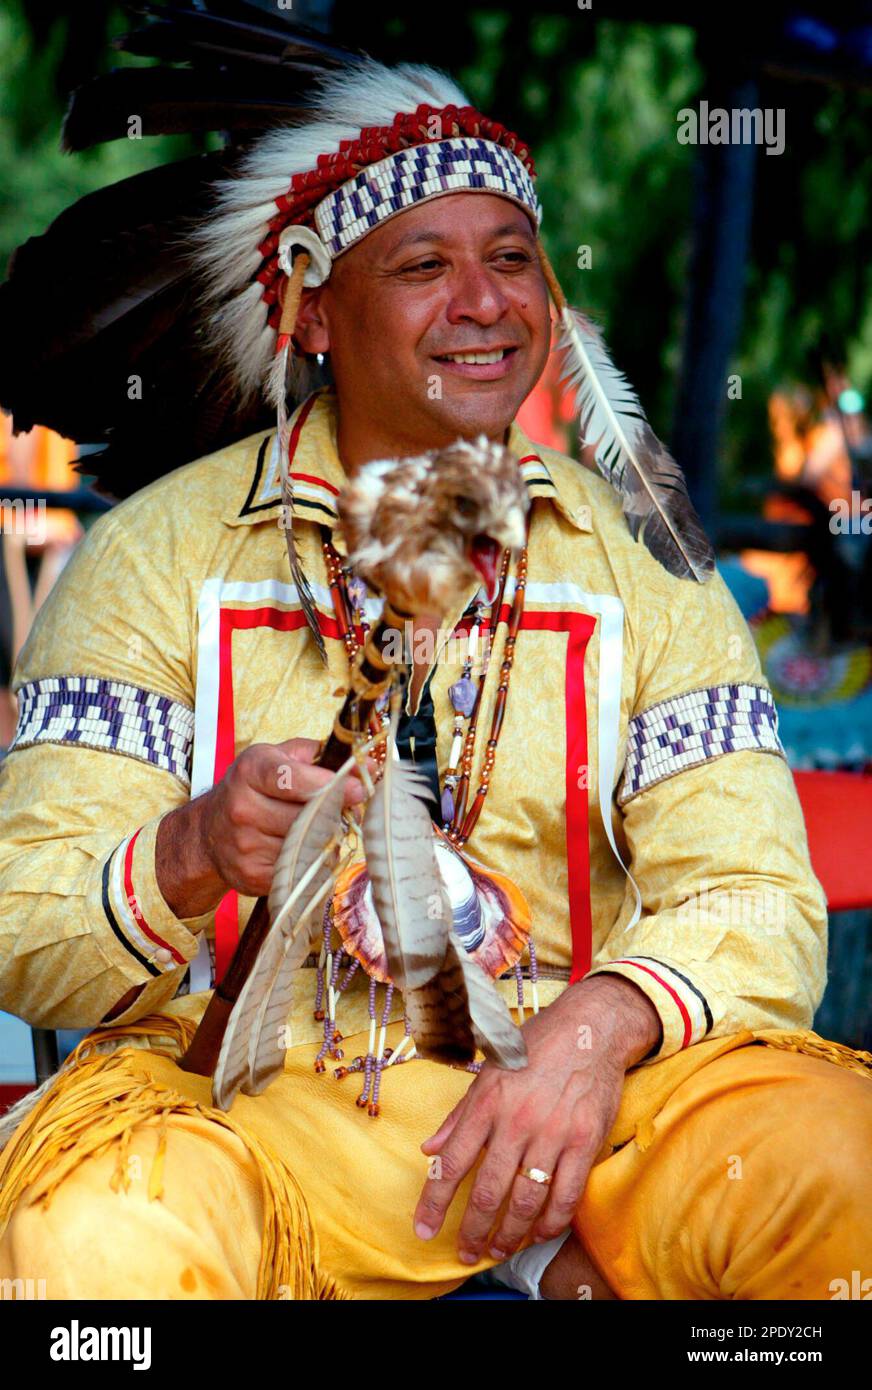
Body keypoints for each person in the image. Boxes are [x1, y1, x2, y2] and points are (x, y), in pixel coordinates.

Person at [0, 49, 870, 1303]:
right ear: (309, 309)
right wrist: (191, 848)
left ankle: (556, 1238)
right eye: (423, 266)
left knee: (839, 1168)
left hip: (597, 1106)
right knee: (94, 1249)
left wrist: (592, 1027)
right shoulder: (152, 558)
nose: (484, 302)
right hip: (252, 1125)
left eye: (512, 258)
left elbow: (751, 893)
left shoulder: (643, 557)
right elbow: (28, 937)